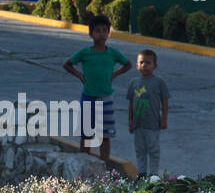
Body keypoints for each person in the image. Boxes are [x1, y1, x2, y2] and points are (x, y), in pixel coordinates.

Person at [62, 15, 131, 163]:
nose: (101, 34)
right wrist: (79, 75)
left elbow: (128, 64)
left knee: (104, 135)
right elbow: (67, 64)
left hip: (106, 98)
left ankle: (104, 168)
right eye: (97, 31)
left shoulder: (112, 53)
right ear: (91, 33)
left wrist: (115, 74)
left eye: (104, 31)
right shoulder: (84, 53)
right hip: (88, 96)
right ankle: (83, 162)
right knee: (86, 134)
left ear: (108, 33)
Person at [125, 49, 170, 181]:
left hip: (153, 124)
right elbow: (131, 104)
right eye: (141, 62)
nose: (144, 65)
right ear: (137, 65)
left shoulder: (159, 82)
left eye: (148, 62)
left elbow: (165, 101)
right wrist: (130, 121)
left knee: (153, 151)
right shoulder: (133, 83)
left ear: (154, 66)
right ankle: (142, 174)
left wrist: (164, 119)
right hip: (138, 124)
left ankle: (153, 175)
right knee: (140, 151)